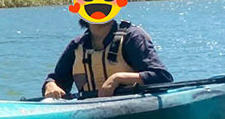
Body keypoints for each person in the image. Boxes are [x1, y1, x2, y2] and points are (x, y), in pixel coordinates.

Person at [43, 17, 172, 99]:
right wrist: (50, 85)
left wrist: (118, 78)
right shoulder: (77, 45)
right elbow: (57, 80)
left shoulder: (132, 37)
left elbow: (162, 77)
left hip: (132, 110)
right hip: (90, 114)